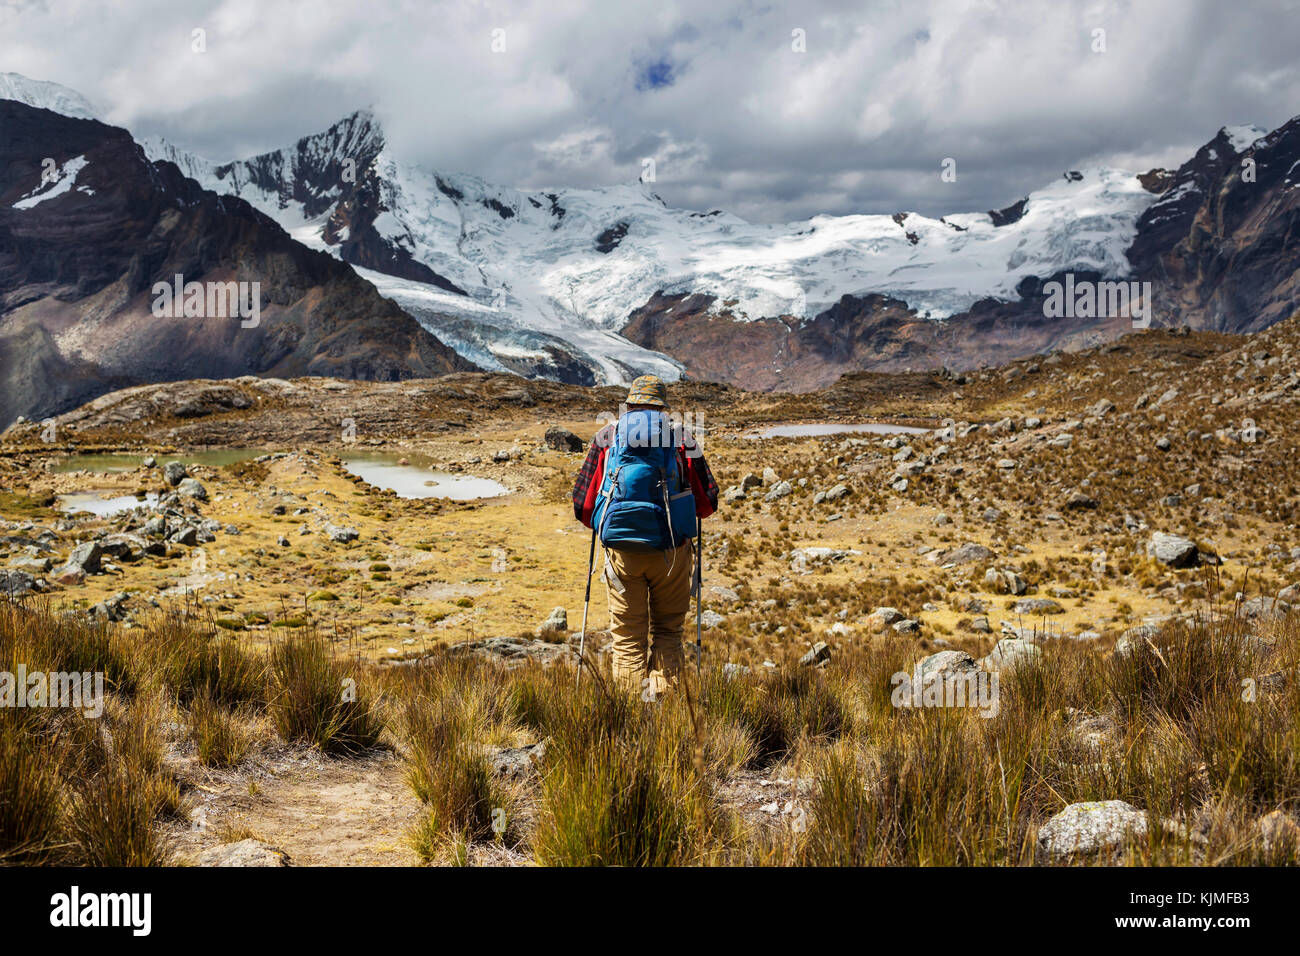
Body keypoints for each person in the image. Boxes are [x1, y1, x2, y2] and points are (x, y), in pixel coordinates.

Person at [571, 375, 718, 696]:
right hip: (672, 553)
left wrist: (613, 526)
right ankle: (663, 715)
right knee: (667, 633)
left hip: (622, 554)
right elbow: (707, 503)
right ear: (663, 407)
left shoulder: (607, 436)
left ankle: (631, 716)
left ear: (631, 404)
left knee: (627, 638)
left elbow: (583, 504)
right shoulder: (681, 438)